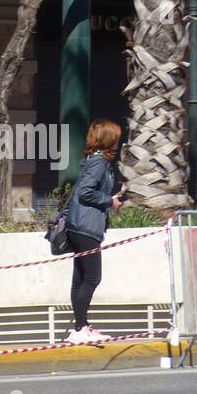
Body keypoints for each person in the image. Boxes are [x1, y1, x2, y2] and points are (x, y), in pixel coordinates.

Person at [65, 118, 124, 345]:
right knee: (92, 278)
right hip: (87, 228)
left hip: (78, 226)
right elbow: (86, 192)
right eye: (116, 137)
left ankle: (81, 327)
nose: (118, 141)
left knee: (80, 279)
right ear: (109, 139)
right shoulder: (99, 163)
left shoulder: (91, 160)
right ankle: (80, 328)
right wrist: (110, 201)